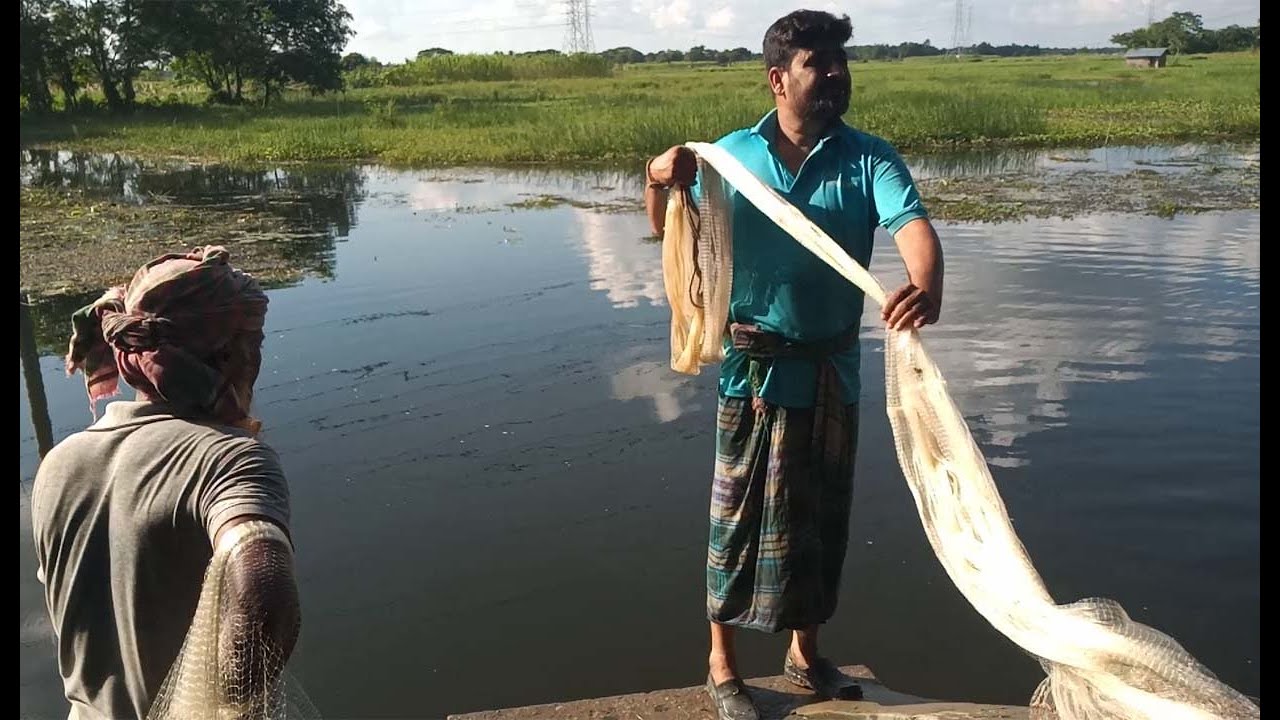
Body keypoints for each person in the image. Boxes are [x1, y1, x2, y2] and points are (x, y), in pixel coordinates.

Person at [643, 10, 945, 720]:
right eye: (820, 64)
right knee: (734, 520)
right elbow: (665, 227)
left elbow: (913, 227)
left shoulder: (869, 157)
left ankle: (806, 655)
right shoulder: (726, 156)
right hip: (751, 370)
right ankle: (722, 664)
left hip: (834, 370)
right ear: (779, 79)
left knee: (821, 518)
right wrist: (658, 178)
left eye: (841, 62)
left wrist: (926, 285)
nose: (837, 75)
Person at [31, 246, 300, 719]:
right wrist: (231, 707)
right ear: (227, 354)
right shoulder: (229, 459)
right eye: (252, 344)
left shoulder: (59, 464)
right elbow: (263, 587)